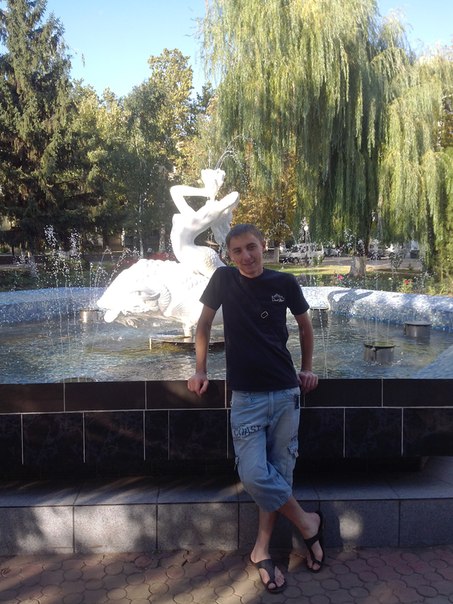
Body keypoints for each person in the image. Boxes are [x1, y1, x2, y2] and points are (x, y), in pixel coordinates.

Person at [187, 223, 323, 594]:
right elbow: (203, 324)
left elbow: (306, 328)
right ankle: (308, 523)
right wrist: (200, 370)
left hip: (285, 393)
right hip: (246, 398)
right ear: (229, 255)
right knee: (254, 474)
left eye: (252, 247)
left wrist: (307, 368)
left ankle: (261, 549)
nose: (246, 256)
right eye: (237, 251)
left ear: (263, 245)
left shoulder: (285, 282)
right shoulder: (223, 279)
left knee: (280, 471)